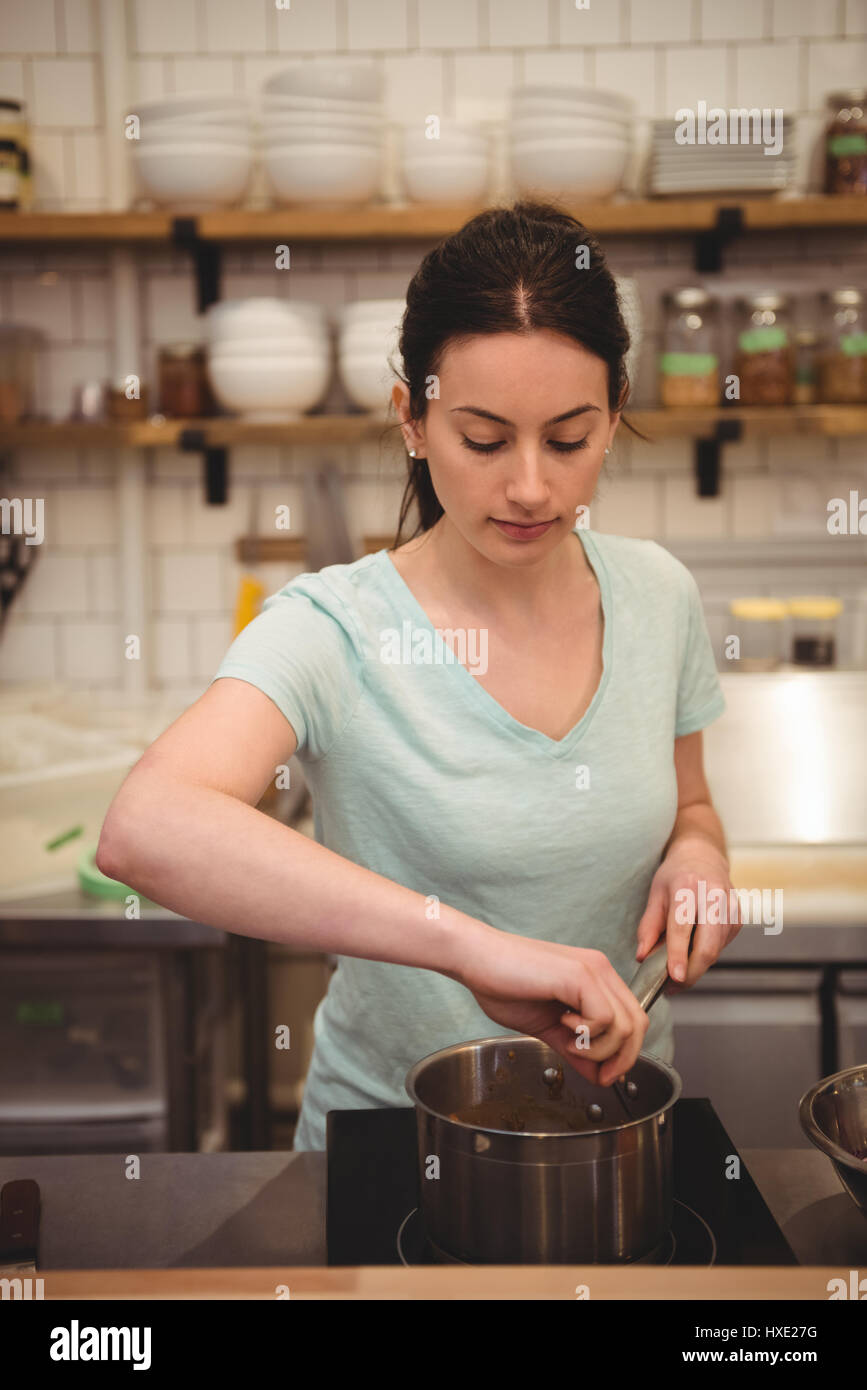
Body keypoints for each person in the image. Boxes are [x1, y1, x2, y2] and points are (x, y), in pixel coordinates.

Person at [97, 201, 739, 1153]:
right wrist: (469, 945)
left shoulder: (658, 595)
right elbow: (144, 829)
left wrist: (699, 860)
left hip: (614, 1139)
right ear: (413, 419)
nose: (530, 486)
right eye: (483, 440)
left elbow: (691, 807)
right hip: (388, 1148)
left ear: (615, 415)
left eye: (569, 439)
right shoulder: (335, 628)